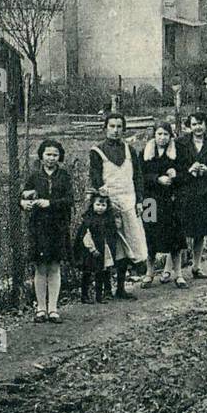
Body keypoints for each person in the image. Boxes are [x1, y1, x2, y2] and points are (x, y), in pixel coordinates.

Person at [88, 113, 148, 300]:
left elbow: (137, 177)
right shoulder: (97, 151)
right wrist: (103, 197)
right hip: (108, 204)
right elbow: (96, 178)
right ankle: (105, 289)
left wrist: (139, 200)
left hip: (129, 202)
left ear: (124, 129)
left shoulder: (130, 150)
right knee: (108, 245)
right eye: (112, 126)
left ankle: (121, 287)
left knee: (128, 244)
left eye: (119, 126)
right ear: (105, 128)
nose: (115, 130)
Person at [21, 139, 74, 324]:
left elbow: (69, 200)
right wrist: (24, 203)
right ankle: (41, 308)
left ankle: (53, 309)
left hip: (58, 226)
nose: (51, 158)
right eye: (48, 154)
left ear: (59, 157)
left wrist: (50, 203)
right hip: (39, 227)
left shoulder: (64, 176)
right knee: (40, 267)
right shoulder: (34, 176)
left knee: (54, 267)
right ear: (41, 156)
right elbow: (24, 195)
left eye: (55, 155)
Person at [176, 111, 207, 280]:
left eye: (201, 124)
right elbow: (174, 166)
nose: (198, 127)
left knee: (200, 231)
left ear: (206, 125)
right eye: (194, 124)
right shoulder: (180, 144)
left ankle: (196, 266)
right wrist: (188, 170)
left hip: (204, 193)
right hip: (185, 192)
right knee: (179, 231)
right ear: (189, 126)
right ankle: (172, 269)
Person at [140, 123, 187, 288]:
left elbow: (185, 176)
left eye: (166, 134)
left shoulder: (177, 154)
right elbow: (140, 177)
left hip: (171, 201)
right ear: (154, 135)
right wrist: (157, 179)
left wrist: (176, 175)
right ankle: (149, 273)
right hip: (150, 201)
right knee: (149, 237)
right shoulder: (145, 154)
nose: (162, 138)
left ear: (170, 136)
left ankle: (178, 274)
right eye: (159, 134)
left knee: (175, 237)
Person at [74, 191, 119, 304]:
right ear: (93, 205)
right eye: (98, 204)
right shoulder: (89, 219)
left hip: (103, 249)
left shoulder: (108, 219)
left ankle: (100, 295)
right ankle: (85, 295)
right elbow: (85, 235)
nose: (100, 208)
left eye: (103, 205)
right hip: (90, 250)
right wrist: (92, 249)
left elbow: (112, 233)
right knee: (87, 272)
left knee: (101, 272)